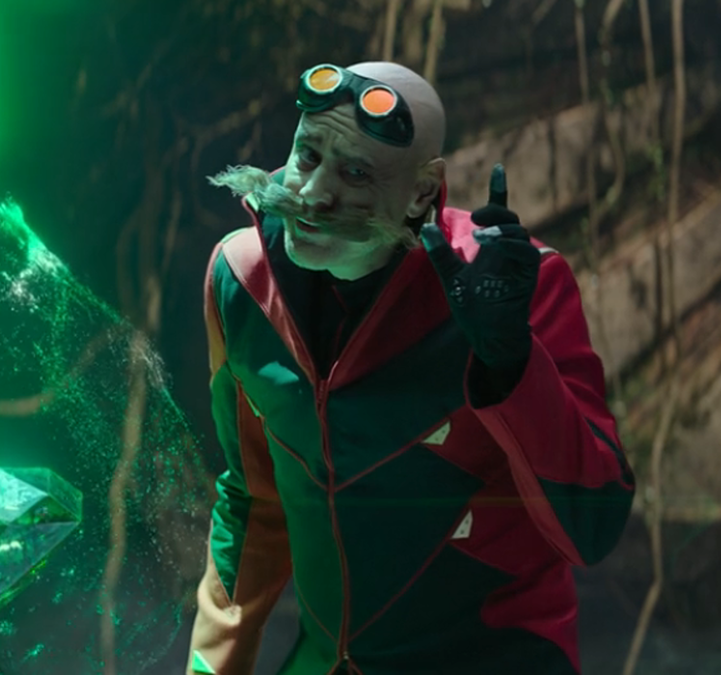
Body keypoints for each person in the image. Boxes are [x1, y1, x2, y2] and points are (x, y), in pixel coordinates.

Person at [188, 61, 634, 675]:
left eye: (356, 173)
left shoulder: (508, 288)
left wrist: (511, 359)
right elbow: (252, 500)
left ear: (423, 192)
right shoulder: (239, 279)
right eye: (308, 154)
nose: (313, 193)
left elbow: (593, 526)